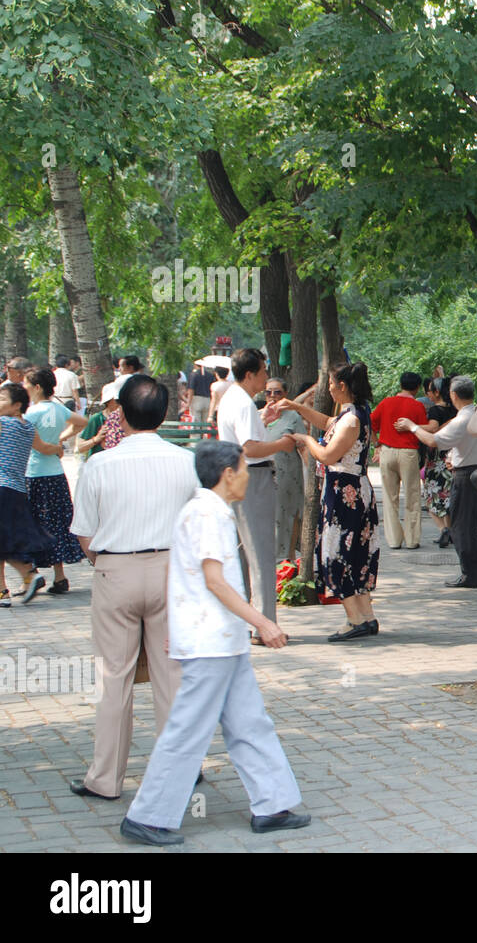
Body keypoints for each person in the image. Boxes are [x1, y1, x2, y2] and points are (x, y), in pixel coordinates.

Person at [118, 440, 309, 846]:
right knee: (188, 731)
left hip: (222, 641)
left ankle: (272, 804)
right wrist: (263, 622)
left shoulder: (206, 510)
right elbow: (214, 580)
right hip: (211, 642)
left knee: (249, 723)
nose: (247, 474)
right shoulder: (208, 514)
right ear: (228, 474)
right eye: (243, 467)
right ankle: (148, 816)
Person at [67, 375, 199, 800]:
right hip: (171, 574)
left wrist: (106, 562)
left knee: (113, 679)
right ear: (164, 413)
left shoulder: (101, 464)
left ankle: (104, 779)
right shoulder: (186, 461)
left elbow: (84, 533)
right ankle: (181, 771)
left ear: (119, 413)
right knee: (172, 677)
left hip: (115, 572)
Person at [282, 362, 381, 642]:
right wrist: (299, 408)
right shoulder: (352, 413)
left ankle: (354, 619)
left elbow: (327, 456)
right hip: (351, 491)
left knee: (337, 553)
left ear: (343, 386)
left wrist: (305, 439)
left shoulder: (350, 419)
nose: (327, 388)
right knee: (355, 553)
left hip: (344, 493)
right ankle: (366, 617)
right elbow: (327, 423)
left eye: (330, 383)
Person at [216, 349, 296, 637]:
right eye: (263, 372)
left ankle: (248, 620)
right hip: (253, 478)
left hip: (236, 479)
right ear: (249, 374)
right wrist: (282, 444)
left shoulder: (234, 399)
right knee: (260, 553)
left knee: (243, 553)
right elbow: (249, 448)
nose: (266, 377)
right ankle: (264, 625)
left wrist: (263, 418)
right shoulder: (242, 403)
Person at [397, 374, 477, 587]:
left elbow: (432, 440)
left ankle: (470, 574)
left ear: (453, 395)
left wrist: (412, 426)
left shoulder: (462, 420)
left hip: (466, 476)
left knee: (461, 526)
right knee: (473, 524)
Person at [23, 367, 88, 595]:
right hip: (56, 475)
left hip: (34, 474)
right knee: (57, 524)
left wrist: (53, 446)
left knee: (34, 523)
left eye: (27, 385)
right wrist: (61, 439)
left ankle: (30, 575)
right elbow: (82, 422)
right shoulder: (59, 410)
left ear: (37, 387)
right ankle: (60, 577)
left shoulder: (31, 413)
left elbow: (33, 443)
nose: (25, 389)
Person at [0, 382, 54, 607]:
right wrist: (58, 448)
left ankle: (24, 577)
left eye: (2, 398)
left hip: (1, 487)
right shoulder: (27, 427)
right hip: (17, 489)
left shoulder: (4, 424)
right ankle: (7, 588)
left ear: (17, 406)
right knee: (4, 541)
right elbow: (41, 447)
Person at [370, 371, 429, 550]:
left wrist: (377, 444)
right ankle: (412, 540)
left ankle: (394, 540)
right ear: (417, 387)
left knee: (390, 497)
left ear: (400, 384)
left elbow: (370, 423)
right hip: (408, 453)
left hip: (387, 452)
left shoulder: (386, 403)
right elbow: (421, 430)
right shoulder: (417, 406)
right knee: (412, 497)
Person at [264, 377, 306, 563]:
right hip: (264, 476)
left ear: (285, 394)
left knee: (287, 517)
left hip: (288, 475)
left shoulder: (293, 417)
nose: (272, 396)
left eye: (277, 392)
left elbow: (303, 446)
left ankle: (286, 563)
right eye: (268, 392)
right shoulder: (259, 416)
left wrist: (314, 477)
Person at [419, 377, 456, 547]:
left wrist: (413, 427)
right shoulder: (455, 410)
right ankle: (449, 530)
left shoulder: (435, 411)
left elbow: (433, 428)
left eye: (430, 390)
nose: (428, 394)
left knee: (430, 497)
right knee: (446, 495)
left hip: (436, 459)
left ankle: (443, 530)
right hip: (452, 456)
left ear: (436, 392)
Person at [76, 380, 123, 458]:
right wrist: (96, 439)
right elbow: (80, 447)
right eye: (117, 401)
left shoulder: (127, 419)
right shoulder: (97, 419)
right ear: (108, 401)